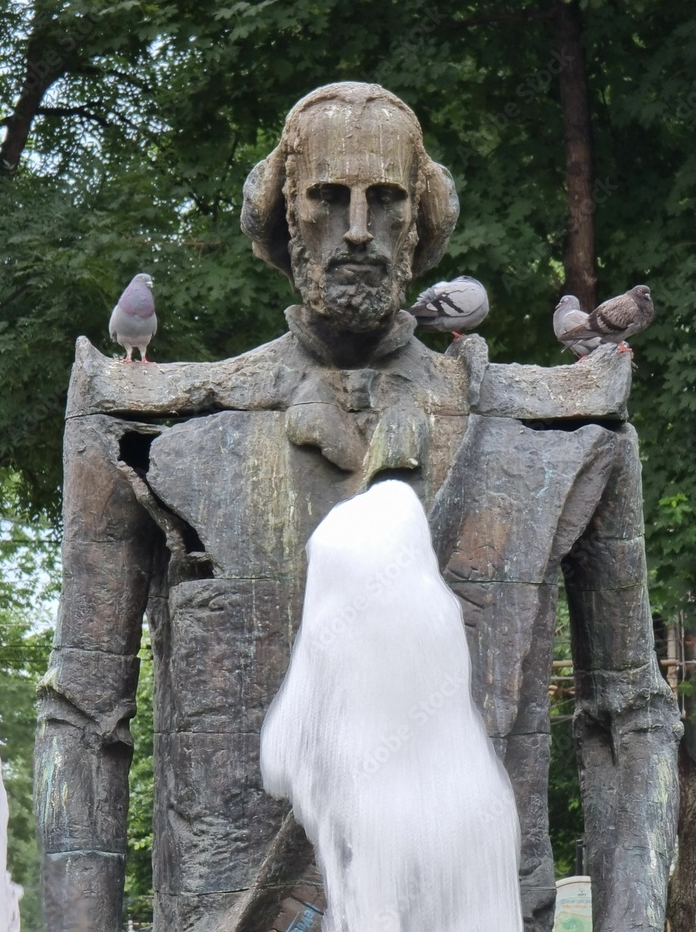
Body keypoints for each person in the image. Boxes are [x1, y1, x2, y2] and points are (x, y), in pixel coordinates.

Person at [36, 83, 680, 932]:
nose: (357, 229)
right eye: (327, 199)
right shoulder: (156, 429)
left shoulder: (558, 432)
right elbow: (83, 715)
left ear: (418, 223)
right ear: (285, 216)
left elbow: (631, 715)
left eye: (386, 201)